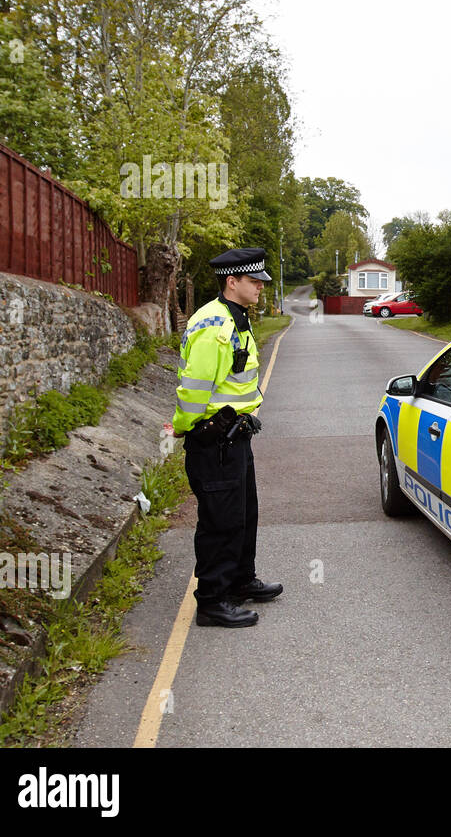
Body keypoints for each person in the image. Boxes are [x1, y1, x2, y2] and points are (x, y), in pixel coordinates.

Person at [172, 247, 283, 628]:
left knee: (243, 513)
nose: (259, 289)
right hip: (213, 439)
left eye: (260, 282)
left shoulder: (236, 319)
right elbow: (194, 388)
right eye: (254, 282)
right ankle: (212, 601)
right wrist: (192, 430)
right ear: (231, 282)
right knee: (220, 520)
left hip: (235, 435)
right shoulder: (214, 326)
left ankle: (239, 580)